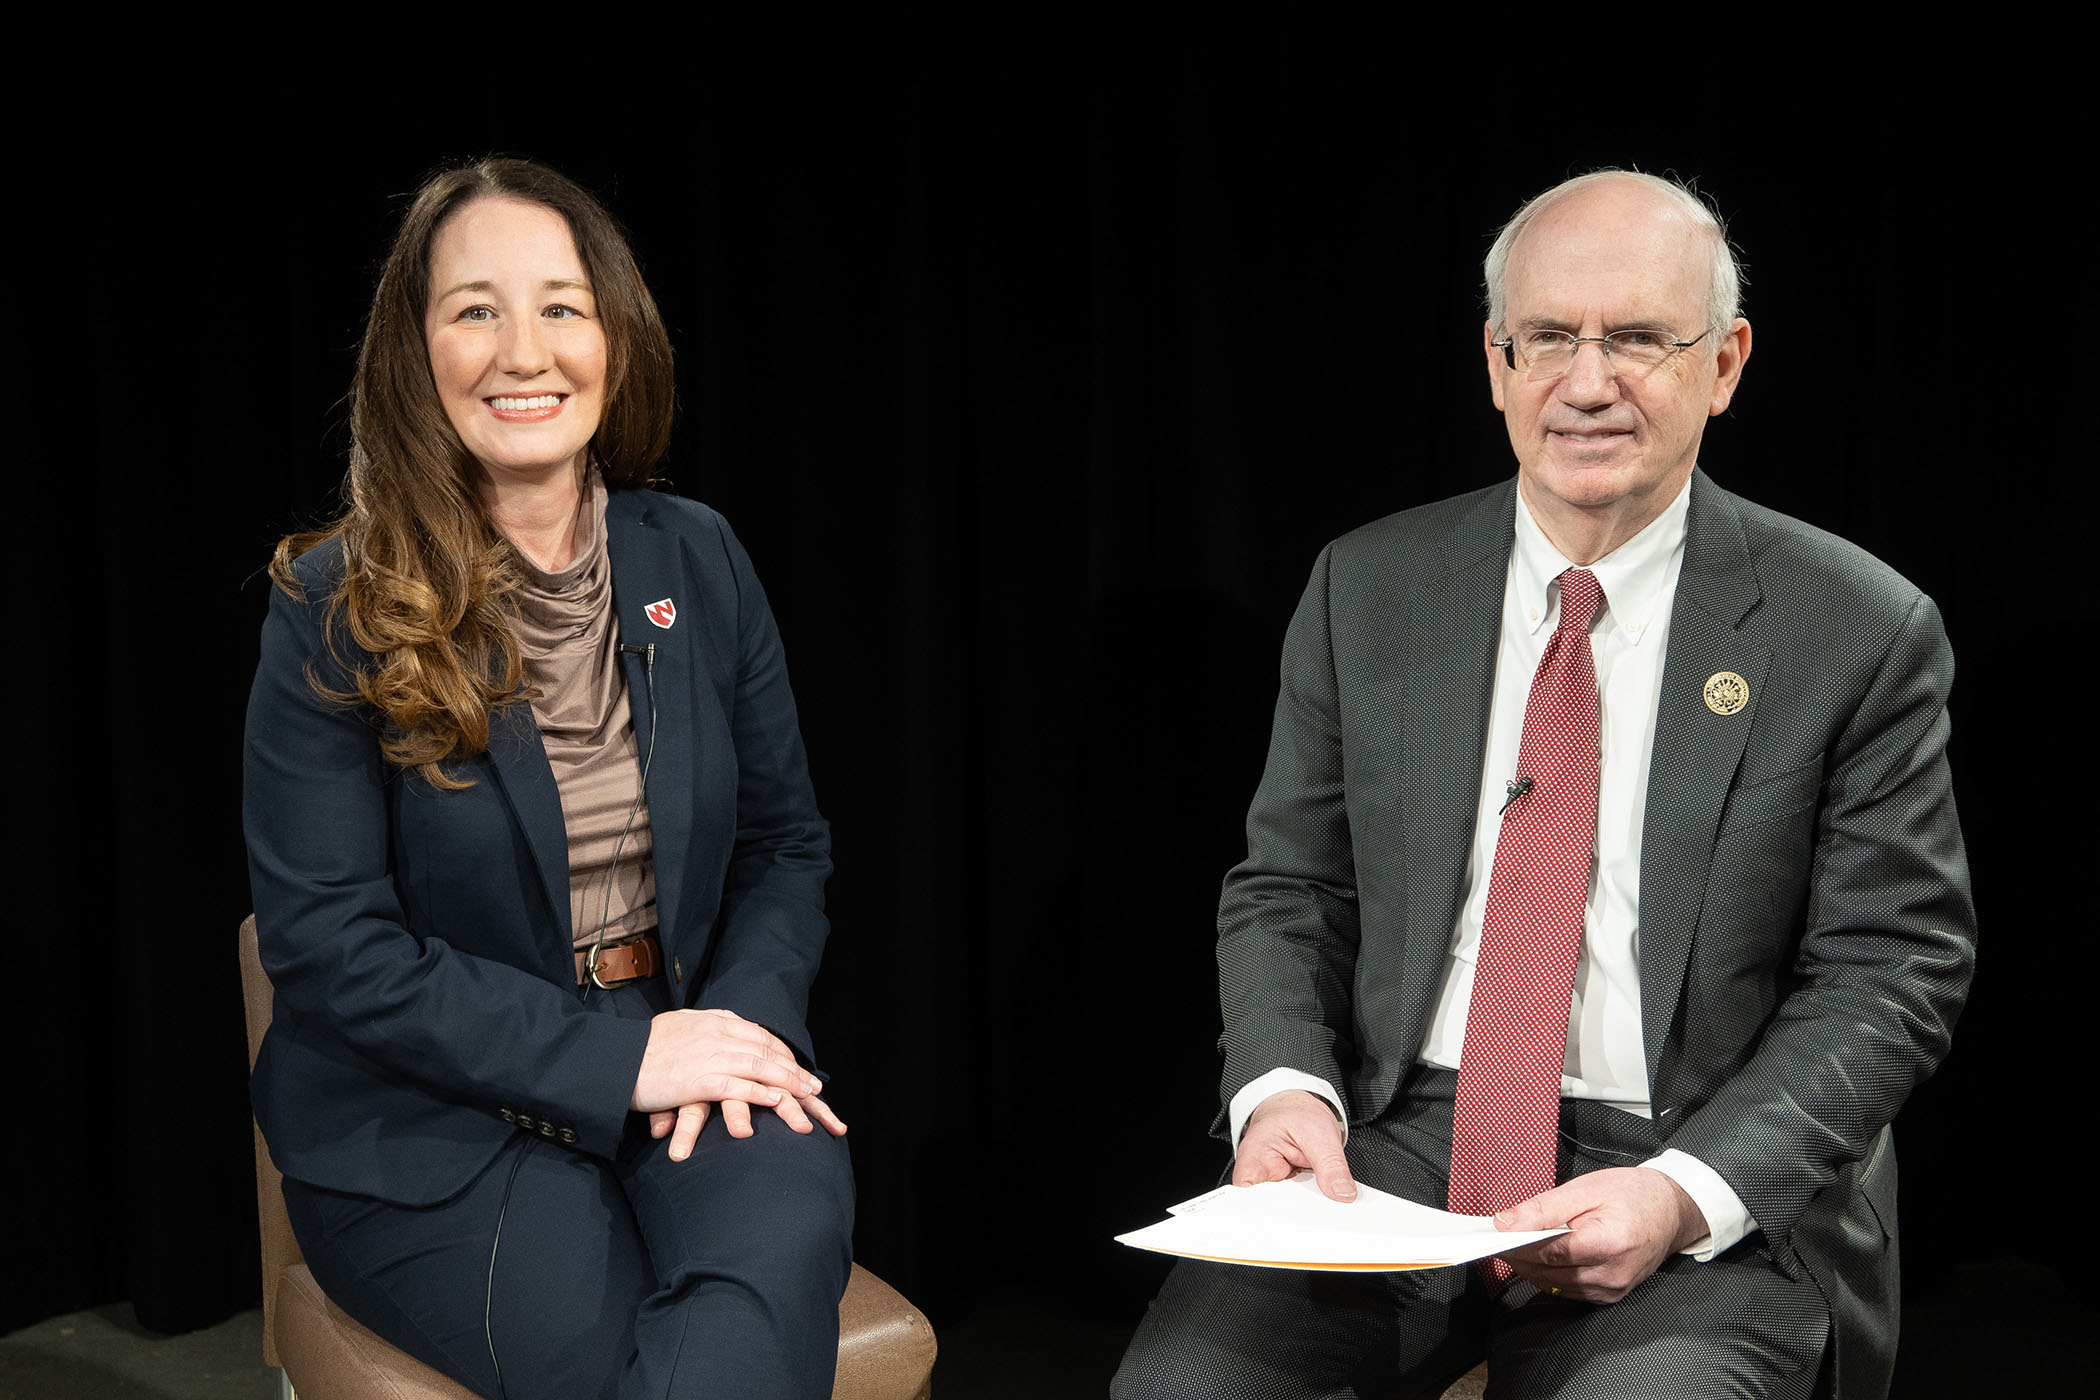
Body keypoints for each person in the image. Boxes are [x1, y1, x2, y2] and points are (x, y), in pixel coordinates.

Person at [1112, 170, 1974, 1400]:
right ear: (1495, 360)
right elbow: (1289, 885)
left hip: (1689, 1155)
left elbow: (1896, 968)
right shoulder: (1372, 586)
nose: (1585, 381)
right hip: (1395, 1143)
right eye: (1549, 338)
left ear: (1724, 364)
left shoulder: (1857, 629)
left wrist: (1683, 1193)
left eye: (1636, 338)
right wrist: (1285, 1085)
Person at [244, 157, 853, 1400]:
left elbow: (785, 846)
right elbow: (328, 947)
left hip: (690, 1046)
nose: (525, 350)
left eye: (561, 306)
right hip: (429, 1119)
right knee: (645, 1356)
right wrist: (619, 1064)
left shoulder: (700, 555)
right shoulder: (333, 608)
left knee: (761, 1271)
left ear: (614, 337)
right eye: (476, 309)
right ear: (414, 355)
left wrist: (739, 1032)